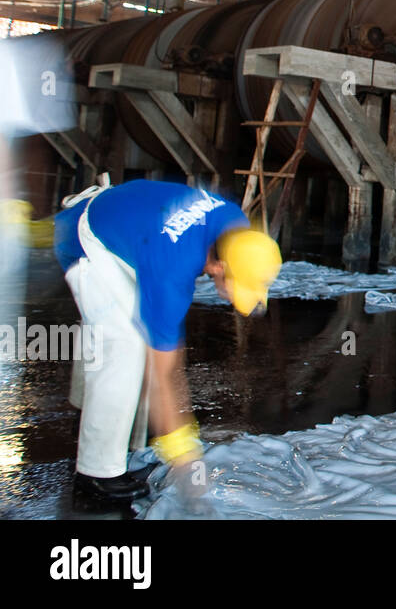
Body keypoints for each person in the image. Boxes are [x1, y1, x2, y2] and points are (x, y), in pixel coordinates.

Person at [52, 179, 281, 502]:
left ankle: (101, 425)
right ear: (218, 265)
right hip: (85, 239)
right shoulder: (173, 270)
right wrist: (185, 456)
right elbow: (164, 376)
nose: (235, 299)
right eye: (237, 287)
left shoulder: (236, 226)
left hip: (129, 231)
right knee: (126, 347)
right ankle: (96, 476)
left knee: (137, 335)